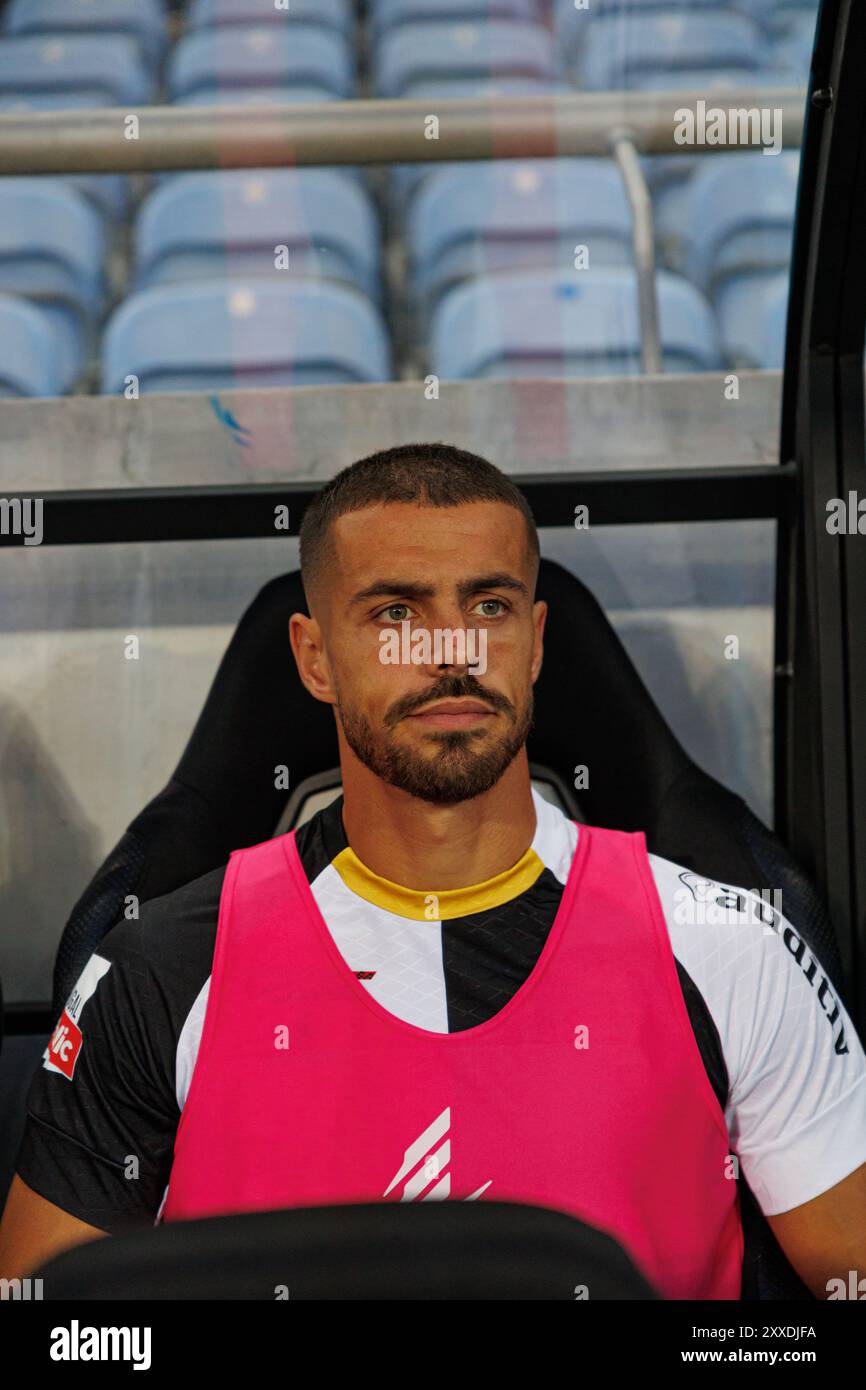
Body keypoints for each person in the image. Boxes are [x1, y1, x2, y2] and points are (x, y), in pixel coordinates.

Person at [2, 442, 865, 1298]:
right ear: (313, 658)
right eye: (396, 614)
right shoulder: (158, 971)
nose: (451, 652)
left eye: (487, 606)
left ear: (533, 644)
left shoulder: (733, 951)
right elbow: (55, 1328)